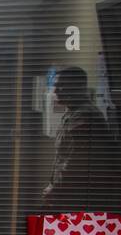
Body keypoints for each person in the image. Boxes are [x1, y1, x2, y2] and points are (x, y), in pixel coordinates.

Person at [42, 66, 112, 207]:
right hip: (69, 194)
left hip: (77, 196)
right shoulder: (71, 113)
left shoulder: (85, 115)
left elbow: (75, 161)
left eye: (61, 86)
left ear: (77, 87)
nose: (55, 91)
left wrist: (55, 189)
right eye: (55, 86)